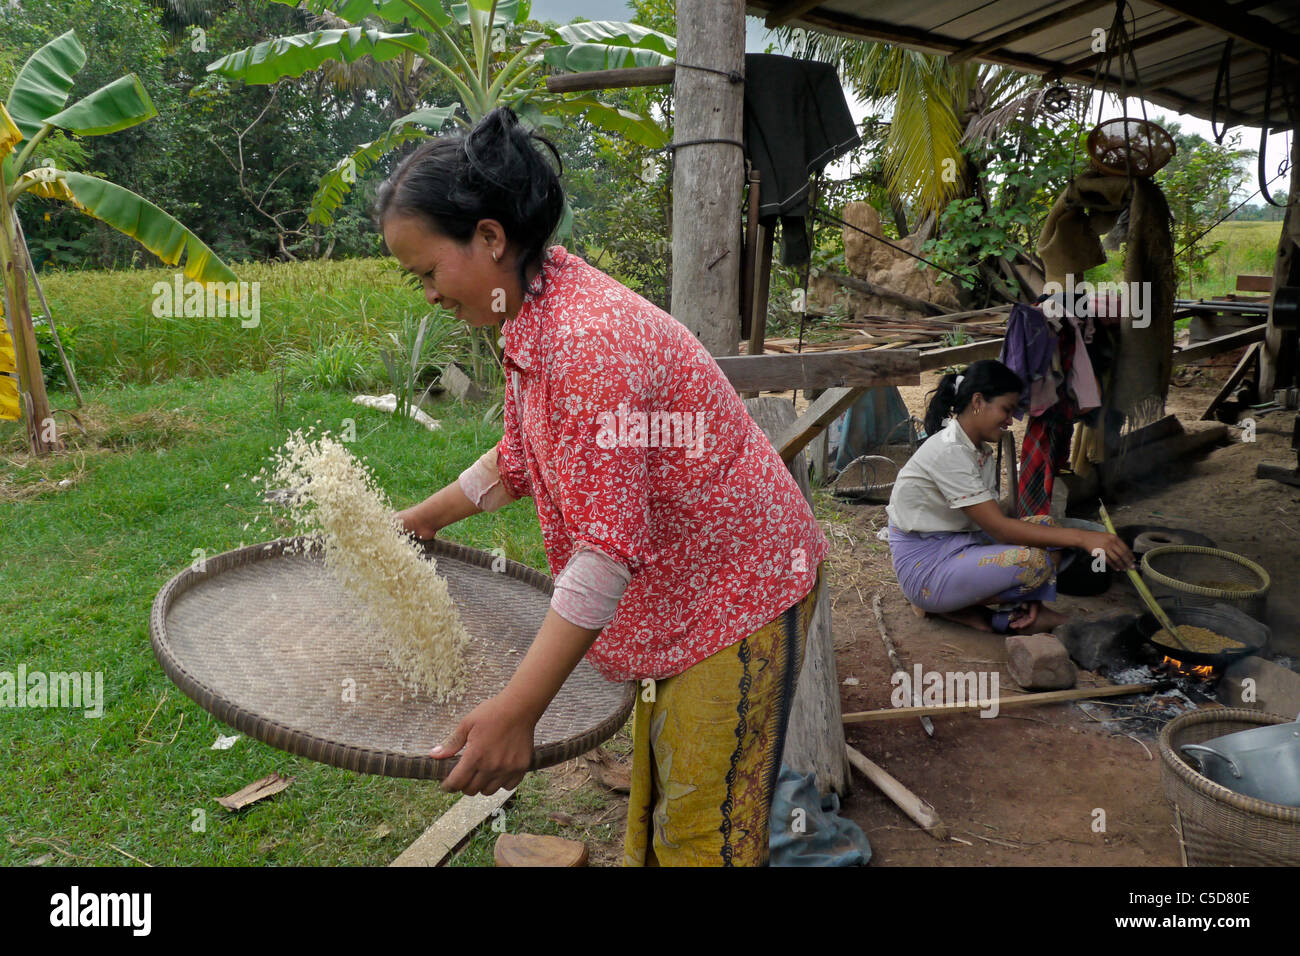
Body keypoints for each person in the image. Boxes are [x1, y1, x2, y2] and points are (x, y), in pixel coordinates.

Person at [378, 107, 827, 866]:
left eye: (427, 271)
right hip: (678, 589)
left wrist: (520, 711)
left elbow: (605, 554)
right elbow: (521, 456)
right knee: (662, 796)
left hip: (739, 589)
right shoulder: (532, 306)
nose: (426, 293)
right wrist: (422, 518)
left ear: (491, 238)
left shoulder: (590, 344)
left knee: (704, 831)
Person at [886, 359, 1134, 634]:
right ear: (978, 401)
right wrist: (1083, 537)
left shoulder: (977, 451)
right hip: (925, 562)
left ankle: (991, 608)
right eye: (1006, 410)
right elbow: (1000, 528)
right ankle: (945, 605)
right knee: (1035, 563)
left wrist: (1029, 591)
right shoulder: (949, 451)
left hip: (958, 541)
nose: (1009, 420)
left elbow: (995, 522)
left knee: (1046, 528)